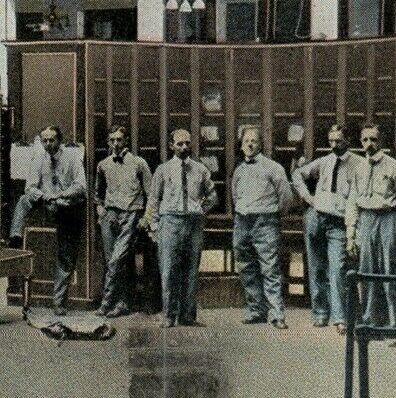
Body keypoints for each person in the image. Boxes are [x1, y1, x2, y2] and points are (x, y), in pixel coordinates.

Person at [291, 123, 367, 330]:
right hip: (316, 218)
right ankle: (321, 313)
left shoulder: (359, 164)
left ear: (348, 141)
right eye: (331, 141)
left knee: (337, 269)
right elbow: (297, 175)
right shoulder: (324, 161)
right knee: (315, 267)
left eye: (338, 141)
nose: (333, 145)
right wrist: (308, 197)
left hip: (339, 223)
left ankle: (340, 317)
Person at [8, 126, 87, 315]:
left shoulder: (72, 158)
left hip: (67, 206)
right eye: (44, 141)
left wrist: (61, 195)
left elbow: (80, 187)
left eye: (52, 140)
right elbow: (30, 187)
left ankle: (59, 302)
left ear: (59, 140)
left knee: (65, 256)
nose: (48, 144)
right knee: (24, 200)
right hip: (47, 201)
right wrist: (44, 196)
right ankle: (15, 234)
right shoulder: (39, 158)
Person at [346, 124, 396, 333]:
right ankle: (369, 321)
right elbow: (352, 202)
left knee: (389, 270)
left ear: (381, 141)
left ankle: (395, 324)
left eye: (373, 139)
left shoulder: (395, 167)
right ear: (361, 142)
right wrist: (351, 233)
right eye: (365, 140)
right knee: (366, 271)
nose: (369, 144)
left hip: (388, 219)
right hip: (366, 221)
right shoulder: (357, 168)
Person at [144, 128, 215, 328]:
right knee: (168, 270)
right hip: (170, 222)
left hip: (193, 223)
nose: (184, 147)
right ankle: (168, 315)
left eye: (187, 143)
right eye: (180, 143)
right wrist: (155, 225)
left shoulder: (200, 169)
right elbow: (153, 199)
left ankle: (187, 316)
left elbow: (212, 195)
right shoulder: (163, 170)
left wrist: (200, 209)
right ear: (171, 146)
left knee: (191, 270)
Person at [230, 125, 292, 329]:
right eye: (246, 141)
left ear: (261, 144)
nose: (249, 144)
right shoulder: (238, 171)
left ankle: (276, 314)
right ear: (241, 145)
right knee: (246, 267)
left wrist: (273, 215)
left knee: (270, 267)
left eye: (253, 141)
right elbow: (234, 195)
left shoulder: (274, 168)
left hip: (265, 221)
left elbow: (286, 197)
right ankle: (256, 310)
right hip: (242, 221)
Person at [93, 126, 151, 318]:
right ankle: (122, 303)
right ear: (108, 142)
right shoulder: (103, 164)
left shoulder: (139, 163)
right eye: (112, 140)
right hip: (110, 215)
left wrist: (146, 217)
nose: (116, 144)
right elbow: (97, 193)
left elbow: (151, 195)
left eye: (119, 139)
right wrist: (99, 208)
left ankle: (106, 302)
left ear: (126, 140)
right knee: (113, 260)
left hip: (130, 215)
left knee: (117, 259)